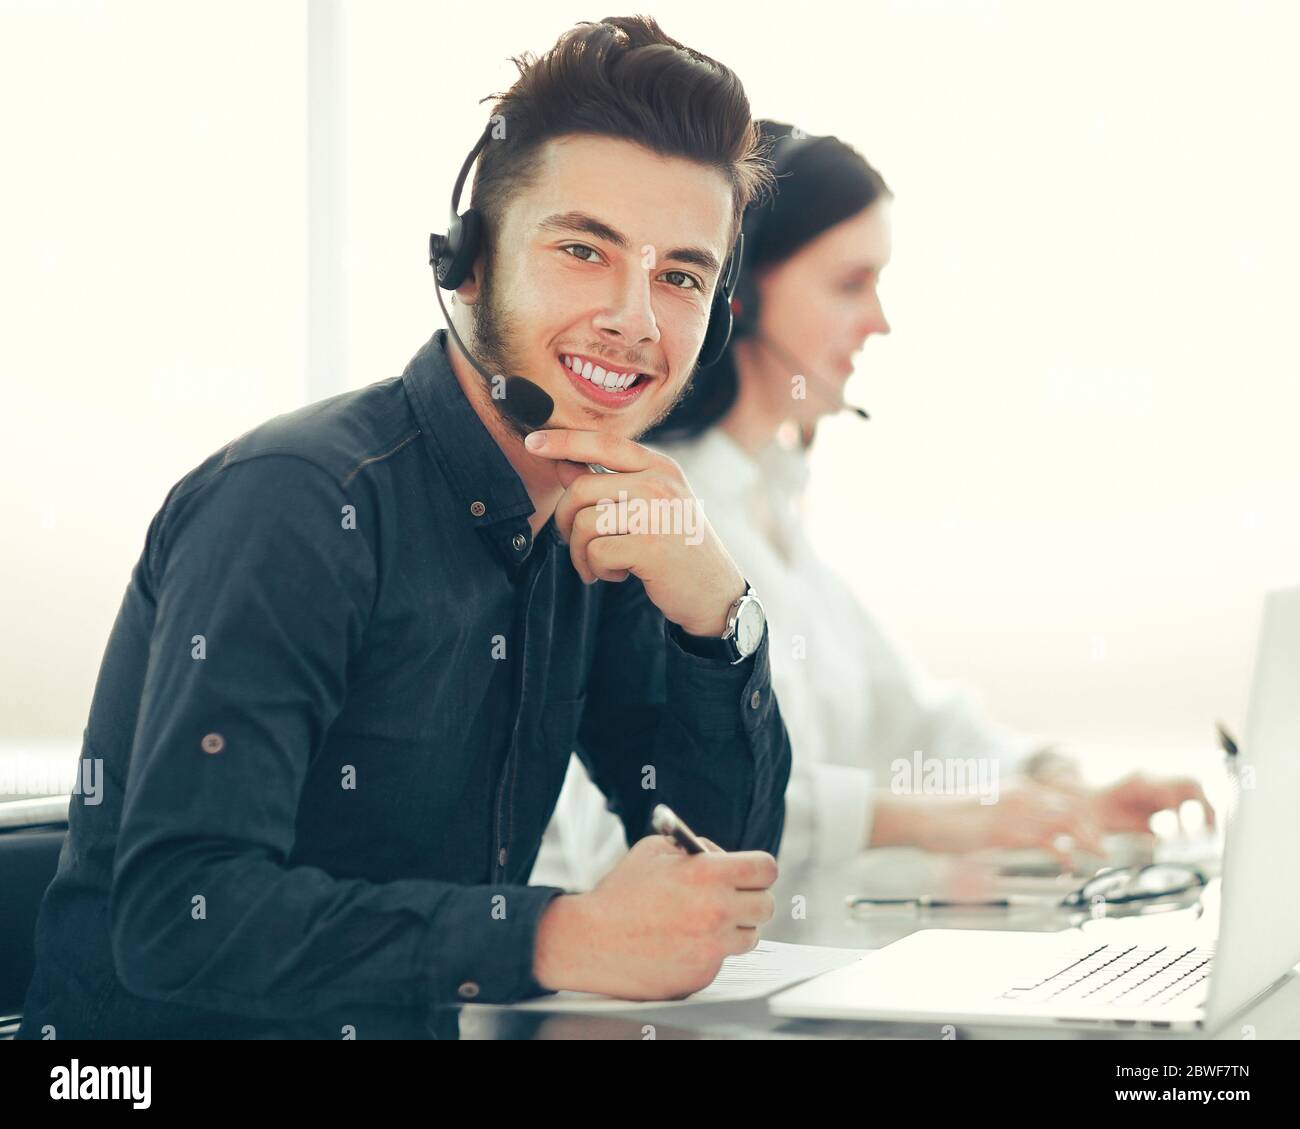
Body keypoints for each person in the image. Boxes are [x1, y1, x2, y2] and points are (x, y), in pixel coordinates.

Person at [17, 17, 793, 1040]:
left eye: (679, 277)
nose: (635, 319)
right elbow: (177, 919)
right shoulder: (295, 503)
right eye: (580, 250)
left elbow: (721, 874)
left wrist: (716, 618)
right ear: (469, 263)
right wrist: (557, 936)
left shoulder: (596, 518)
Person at [532, 120, 1213, 892]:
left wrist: (1063, 782)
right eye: (851, 283)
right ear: (742, 294)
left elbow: (915, 719)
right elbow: (641, 832)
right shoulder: (646, 516)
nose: (879, 320)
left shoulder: (771, 508)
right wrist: (942, 820)